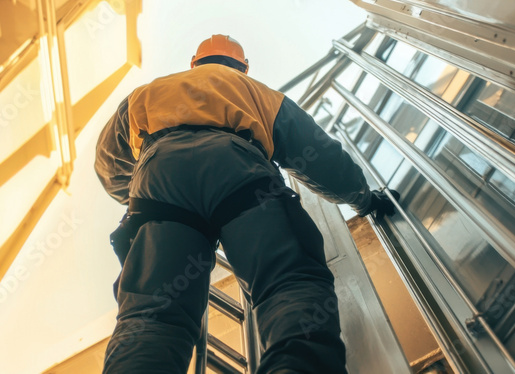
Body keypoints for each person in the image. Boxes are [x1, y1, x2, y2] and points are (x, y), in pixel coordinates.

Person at [95, 34, 398, 374]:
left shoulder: (147, 94)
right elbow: (321, 157)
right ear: (245, 68)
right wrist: (364, 199)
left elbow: (108, 164)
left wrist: (143, 203)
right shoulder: (257, 93)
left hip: (159, 180)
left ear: (194, 62)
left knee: (152, 317)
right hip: (240, 173)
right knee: (287, 282)